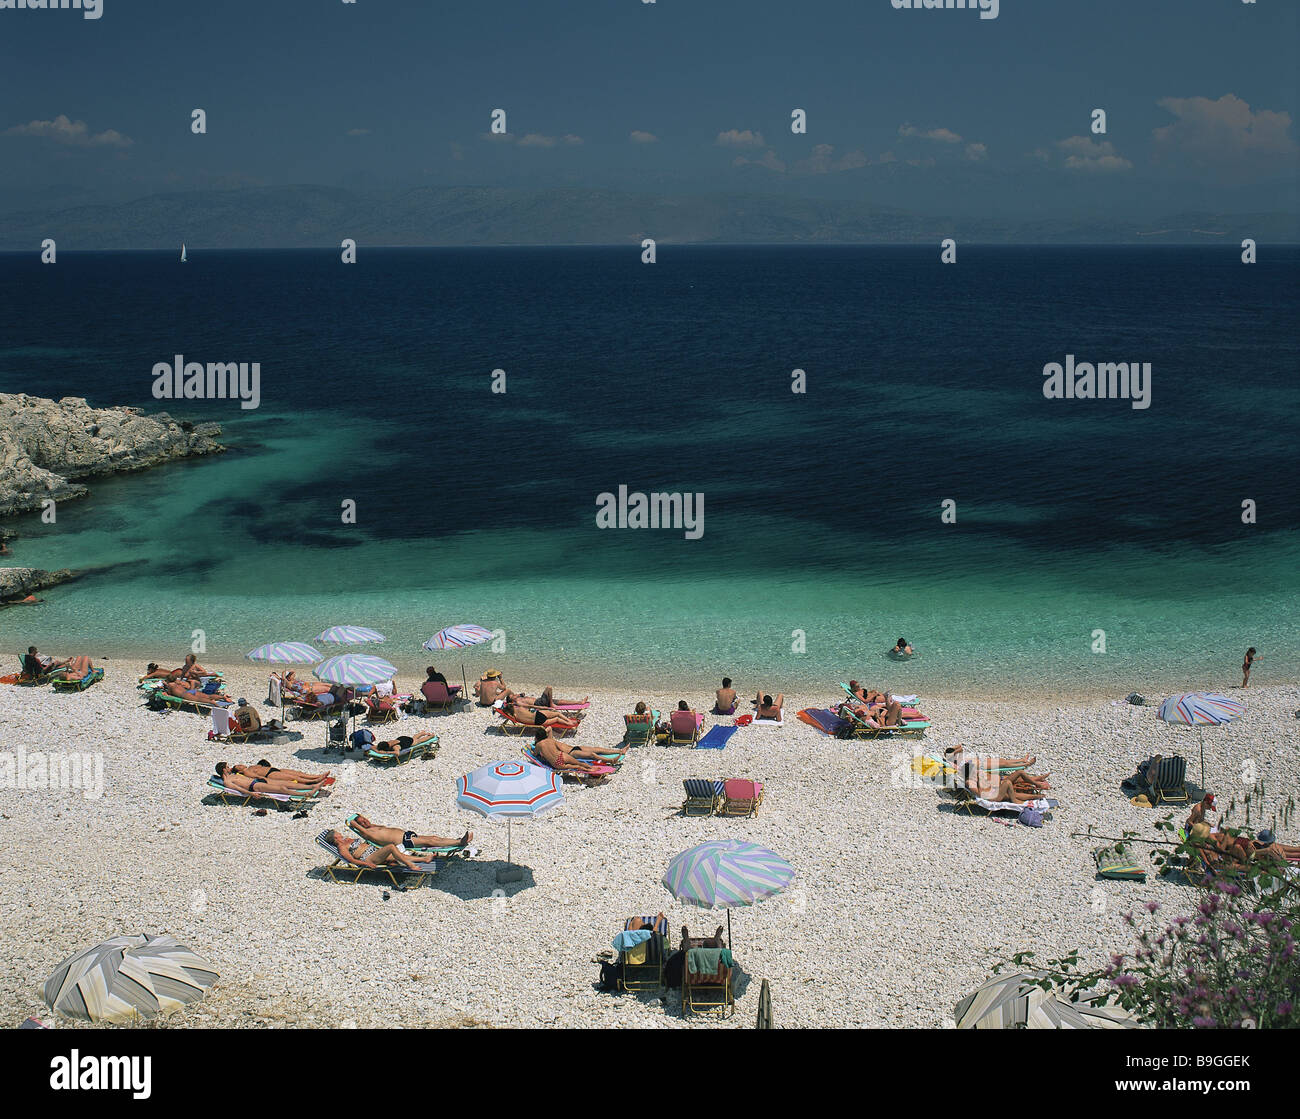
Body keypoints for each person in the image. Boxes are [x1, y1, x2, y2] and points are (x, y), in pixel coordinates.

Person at [328, 830, 440, 872]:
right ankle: (410, 865)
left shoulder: (347, 840)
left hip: (374, 852)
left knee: (397, 855)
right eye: (337, 833)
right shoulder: (342, 849)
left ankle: (424, 859)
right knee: (391, 847)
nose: (340, 833)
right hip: (368, 858)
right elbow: (352, 860)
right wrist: (367, 864)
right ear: (335, 838)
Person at [350, 814, 471, 850]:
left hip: (407, 835)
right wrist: (353, 822)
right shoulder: (368, 833)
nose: (365, 822)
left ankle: (457, 840)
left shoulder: (373, 827)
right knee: (431, 841)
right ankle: (459, 842)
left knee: (434, 837)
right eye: (363, 822)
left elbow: (370, 824)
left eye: (364, 819)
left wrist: (366, 821)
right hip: (404, 841)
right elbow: (355, 825)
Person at [213, 762, 320, 796]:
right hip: (254, 786)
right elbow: (238, 789)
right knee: (281, 789)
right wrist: (251, 794)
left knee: (286, 783)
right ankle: (306, 794)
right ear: (223, 770)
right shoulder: (227, 781)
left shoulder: (232, 775)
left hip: (257, 780)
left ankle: (312, 786)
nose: (229, 768)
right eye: (227, 767)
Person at [227, 761, 332, 786]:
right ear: (239, 771)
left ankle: (317, 776)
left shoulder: (250, 767)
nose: (241, 765)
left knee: (298, 773)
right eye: (239, 766)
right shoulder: (246, 772)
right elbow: (257, 777)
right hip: (270, 775)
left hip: (275, 770)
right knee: (293, 777)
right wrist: (269, 782)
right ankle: (314, 781)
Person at [369, 730, 438, 758]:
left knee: (418, 741)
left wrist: (386, 752)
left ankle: (431, 736)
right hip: (401, 738)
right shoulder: (388, 742)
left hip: (406, 742)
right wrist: (377, 751)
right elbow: (372, 747)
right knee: (414, 738)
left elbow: (397, 753)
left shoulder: (395, 747)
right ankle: (422, 733)